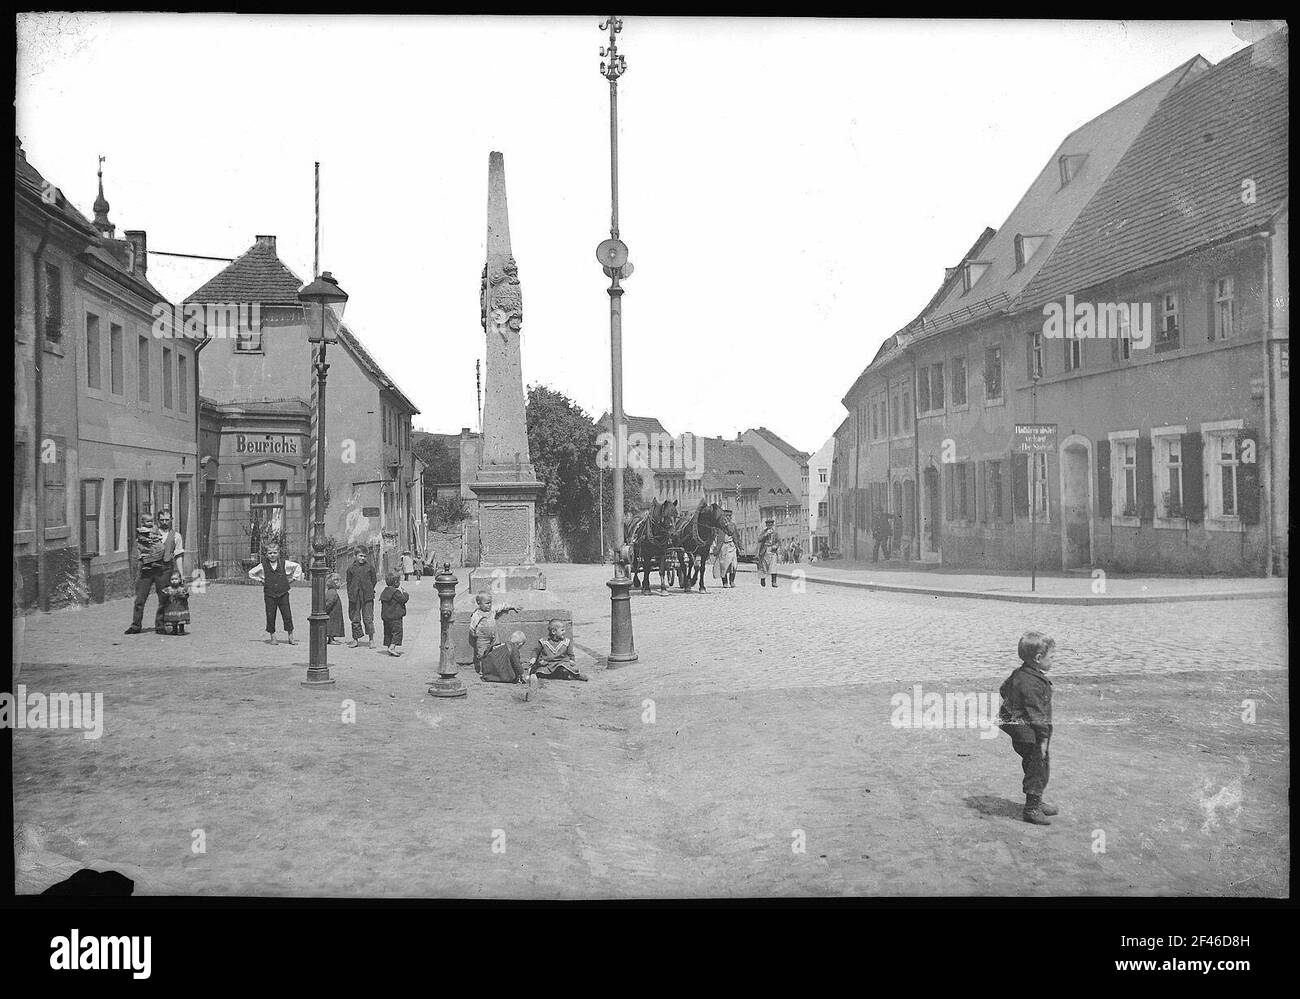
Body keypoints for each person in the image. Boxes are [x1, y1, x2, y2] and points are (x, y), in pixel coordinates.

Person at [998, 631, 1058, 826]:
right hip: (1028, 730)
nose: (1053, 661)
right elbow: (1036, 713)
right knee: (1038, 763)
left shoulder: (1021, 674)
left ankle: (1037, 800)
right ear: (1038, 658)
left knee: (1036, 762)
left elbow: (1003, 688)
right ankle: (1032, 807)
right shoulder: (1030, 682)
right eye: (1051, 657)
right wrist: (1044, 736)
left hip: (1021, 726)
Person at [125, 509, 186, 635]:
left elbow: (178, 556)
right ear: (157, 520)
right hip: (147, 570)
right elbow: (138, 549)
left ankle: (160, 625)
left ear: (171, 520)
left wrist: (181, 574)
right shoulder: (148, 532)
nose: (164, 522)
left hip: (164, 570)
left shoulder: (176, 536)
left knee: (163, 598)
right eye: (162, 519)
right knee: (140, 599)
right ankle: (136, 625)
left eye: (167, 519)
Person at [248, 542, 304, 645]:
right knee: (270, 615)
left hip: (283, 593)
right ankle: (273, 637)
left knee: (287, 614)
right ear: (266, 554)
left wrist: (292, 579)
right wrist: (261, 579)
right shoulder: (263, 566)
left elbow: (297, 567)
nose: (272, 555)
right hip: (269, 594)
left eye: (274, 553)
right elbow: (251, 573)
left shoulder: (284, 563)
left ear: (278, 553)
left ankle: (291, 636)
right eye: (270, 553)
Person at [468, 592, 512, 674]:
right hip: (482, 638)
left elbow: (501, 607)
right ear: (479, 603)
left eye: (490, 603)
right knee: (482, 654)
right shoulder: (477, 614)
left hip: (493, 636)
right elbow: (472, 625)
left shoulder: (492, 610)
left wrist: (511, 606)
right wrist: (473, 633)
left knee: (496, 650)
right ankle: (482, 669)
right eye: (487, 603)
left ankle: (494, 667)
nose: (489, 605)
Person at [345, 549, 378, 648]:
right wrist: (351, 593)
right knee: (355, 618)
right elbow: (349, 582)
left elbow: (374, 580)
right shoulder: (350, 569)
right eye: (360, 556)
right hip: (354, 596)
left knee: (368, 618)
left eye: (364, 556)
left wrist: (369, 589)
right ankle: (355, 639)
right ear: (355, 555)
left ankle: (371, 640)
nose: (362, 558)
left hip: (367, 595)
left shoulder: (370, 568)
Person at [379, 571, 409, 656]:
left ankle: (389, 646)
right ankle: (392, 647)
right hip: (395, 617)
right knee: (397, 632)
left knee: (388, 632)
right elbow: (404, 599)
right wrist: (405, 593)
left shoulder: (385, 591)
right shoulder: (396, 592)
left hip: (386, 617)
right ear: (396, 582)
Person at [161, 570, 190, 636]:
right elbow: (163, 595)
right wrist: (167, 595)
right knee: (173, 619)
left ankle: (181, 630)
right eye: (172, 579)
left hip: (180, 606)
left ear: (180, 579)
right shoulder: (168, 588)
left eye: (176, 579)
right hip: (171, 606)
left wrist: (181, 595)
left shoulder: (182, 588)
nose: (174, 581)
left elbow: (186, 595)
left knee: (180, 619)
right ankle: (174, 630)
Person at [755, 518, 780, 588]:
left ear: (772, 525)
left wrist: (775, 546)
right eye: (768, 525)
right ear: (766, 525)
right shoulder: (763, 532)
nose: (770, 526)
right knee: (763, 566)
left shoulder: (775, 533)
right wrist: (766, 534)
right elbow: (759, 539)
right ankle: (763, 579)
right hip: (764, 551)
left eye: (771, 525)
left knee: (773, 566)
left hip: (772, 550)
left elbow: (778, 541)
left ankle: (774, 582)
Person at [324, 572, 346, 645]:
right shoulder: (332, 592)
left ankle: (332, 638)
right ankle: (330, 639)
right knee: (331, 625)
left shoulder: (332, 591)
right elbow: (329, 603)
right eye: (339, 581)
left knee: (333, 625)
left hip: (334, 613)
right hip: (332, 613)